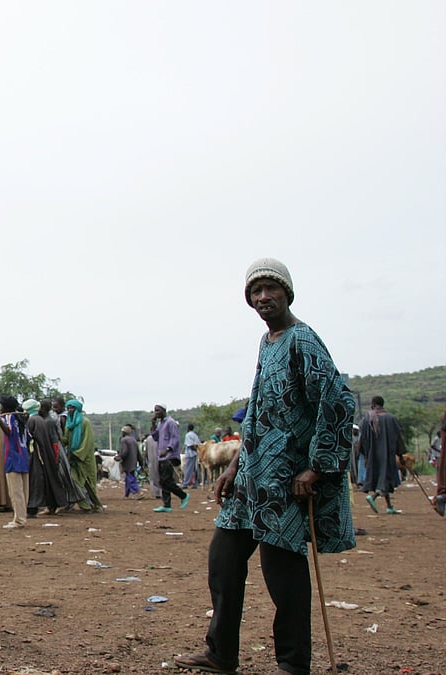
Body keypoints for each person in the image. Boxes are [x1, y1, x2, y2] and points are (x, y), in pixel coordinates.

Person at [176, 258, 356, 675]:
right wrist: (233, 466)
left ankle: (293, 663)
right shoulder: (267, 342)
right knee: (223, 559)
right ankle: (221, 653)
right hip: (253, 479)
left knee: (282, 574)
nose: (262, 298)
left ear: (287, 292)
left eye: (270, 288)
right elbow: (256, 409)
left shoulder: (302, 340)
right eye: (254, 292)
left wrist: (316, 468)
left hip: (287, 481)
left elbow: (338, 404)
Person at [26, 399, 80, 514]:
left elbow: (54, 440)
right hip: (48, 451)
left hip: (53, 451)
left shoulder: (48, 421)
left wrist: (55, 458)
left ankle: (63, 503)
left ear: (44, 409)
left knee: (58, 477)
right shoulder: (42, 420)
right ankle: (51, 506)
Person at [358, 395, 406, 514]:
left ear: (373, 404)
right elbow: (398, 438)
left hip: (373, 456)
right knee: (386, 477)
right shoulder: (391, 418)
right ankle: (373, 497)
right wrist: (400, 455)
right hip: (387, 455)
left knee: (383, 478)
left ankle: (389, 506)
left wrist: (365, 455)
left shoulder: (367, 418)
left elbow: (361, 438)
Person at [61, 398, 102, 512]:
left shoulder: (85, 422)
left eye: (72, 408)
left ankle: (94, 504)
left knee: (89, 483)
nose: (70, 410)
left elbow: (88, 441)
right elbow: (66, 439)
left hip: (85, 459)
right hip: (73, 459)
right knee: (75, 481)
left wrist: (78, 453)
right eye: (68, 408)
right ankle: (85, 506)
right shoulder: (69, 424)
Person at [0, 395, 30, 529]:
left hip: (12, 456)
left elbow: (8, 431)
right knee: (23, 491)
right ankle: (21, 516)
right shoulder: (21, 419)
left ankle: (19, 520)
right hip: (23, 457)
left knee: (15, 491)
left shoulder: (9, 417)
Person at [152, 405, 189, 513]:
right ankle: (167, 505)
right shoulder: (160, 424)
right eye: (155, 411)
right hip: (161, 456)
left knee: (166, 480)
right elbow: (155, 437)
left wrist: (168, 449)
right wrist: (153, 424)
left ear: (163, 411)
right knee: (163, 481)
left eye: (158, 410)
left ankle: (183, 495)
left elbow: (175, 438)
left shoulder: (170, 422)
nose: (156, 413)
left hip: (169, 455)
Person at [117, 424, 143, 498]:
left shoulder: (124, 440)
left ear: (124, 432)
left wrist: (119, 457)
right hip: (133, 462)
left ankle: (137, 492)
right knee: (128, 478)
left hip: (127, 462)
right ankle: (126, 494)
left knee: (130, 478)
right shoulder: (133, 440)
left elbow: (124, 452)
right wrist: (141, 462)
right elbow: (138, 453)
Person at [144, 420, 163, 499]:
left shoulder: (148, 439)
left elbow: (145, 452)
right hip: (160, 459)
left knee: (153, 477)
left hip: (151, 460)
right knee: (161, 476)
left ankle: (156, 493)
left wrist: (145, 460)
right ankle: (162, 493)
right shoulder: (160, 438)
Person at [183, 423, 201, 489]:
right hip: (195, 454)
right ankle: (195, 483)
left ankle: (185, 483)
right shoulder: (195, 435)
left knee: (188, 469)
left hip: (190, 454)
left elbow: (190, 445)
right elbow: (198, 444)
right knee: (195, 469)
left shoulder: (188, 435)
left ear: (188, 428)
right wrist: (197, 451)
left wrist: (194, 450)